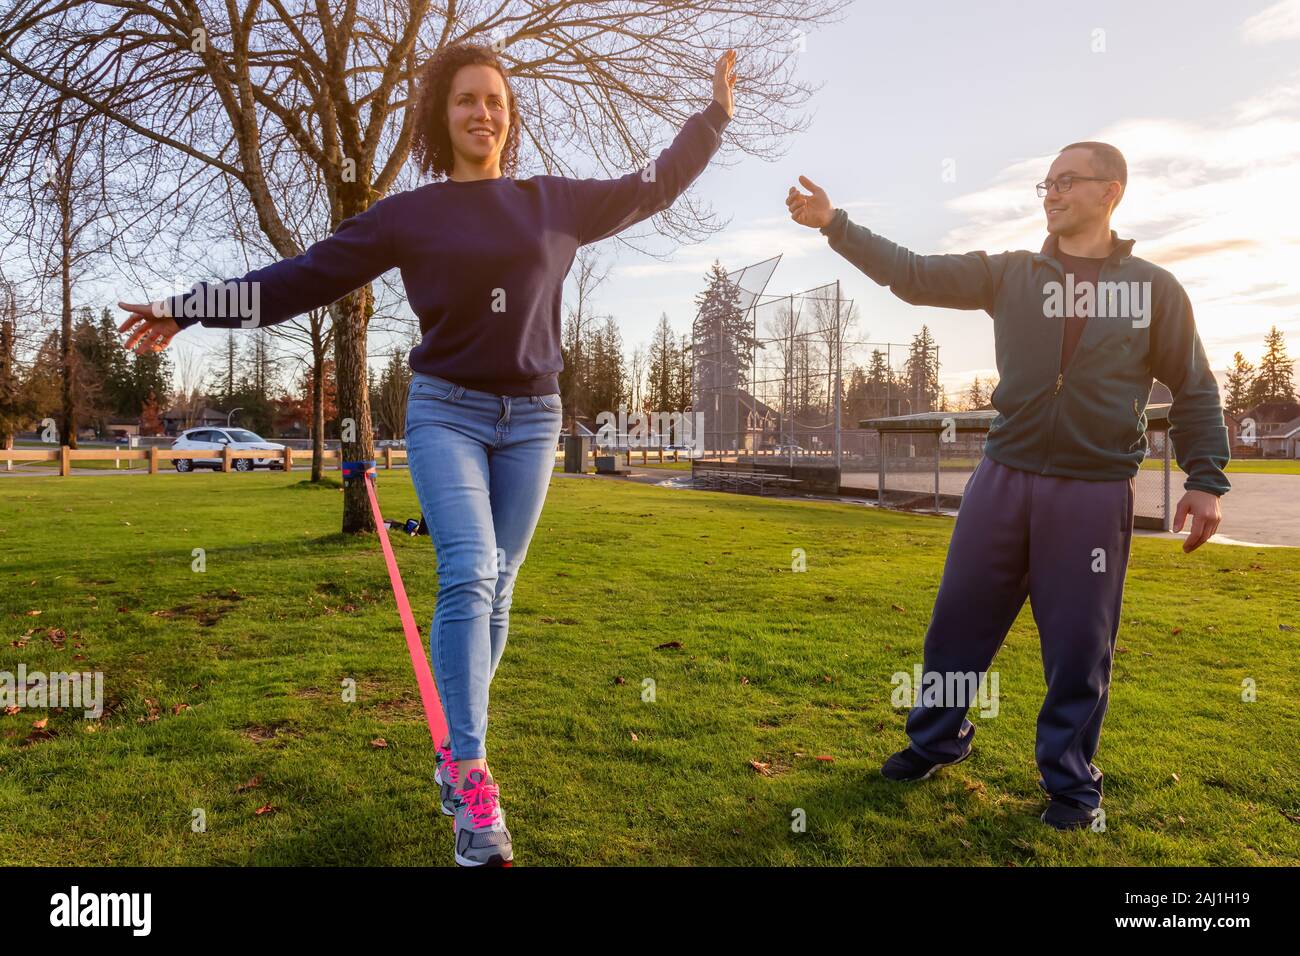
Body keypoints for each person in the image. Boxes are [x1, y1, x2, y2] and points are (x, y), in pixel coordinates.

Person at [119, 42, 738, 865]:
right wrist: (191, 307)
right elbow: (300, 278)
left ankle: (455, 755)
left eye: (495, 100)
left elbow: (653, 186)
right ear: (439, 116)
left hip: (533, 421)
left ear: (508, 117)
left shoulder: (553, 203)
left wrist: (714, 118)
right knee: (470, 570)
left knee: (502, 590)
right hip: (446, 413)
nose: (483, 112)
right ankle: (474, 777)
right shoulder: (410, 214)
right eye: (465, 100)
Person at [786, 142, 1230, 830]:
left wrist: (1205, 479)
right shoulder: (1013, 275)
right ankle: (936, 741)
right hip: (1003, 477)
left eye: (1066, 181)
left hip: (1091, 489)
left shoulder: (1153, 289)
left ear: (1110, 191)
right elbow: (911, 274)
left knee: (1080, 645)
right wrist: (834, 223)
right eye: (1045, 184)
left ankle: (1072, 786)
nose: (1051, 194)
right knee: (958, 622)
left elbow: (1196, 389)